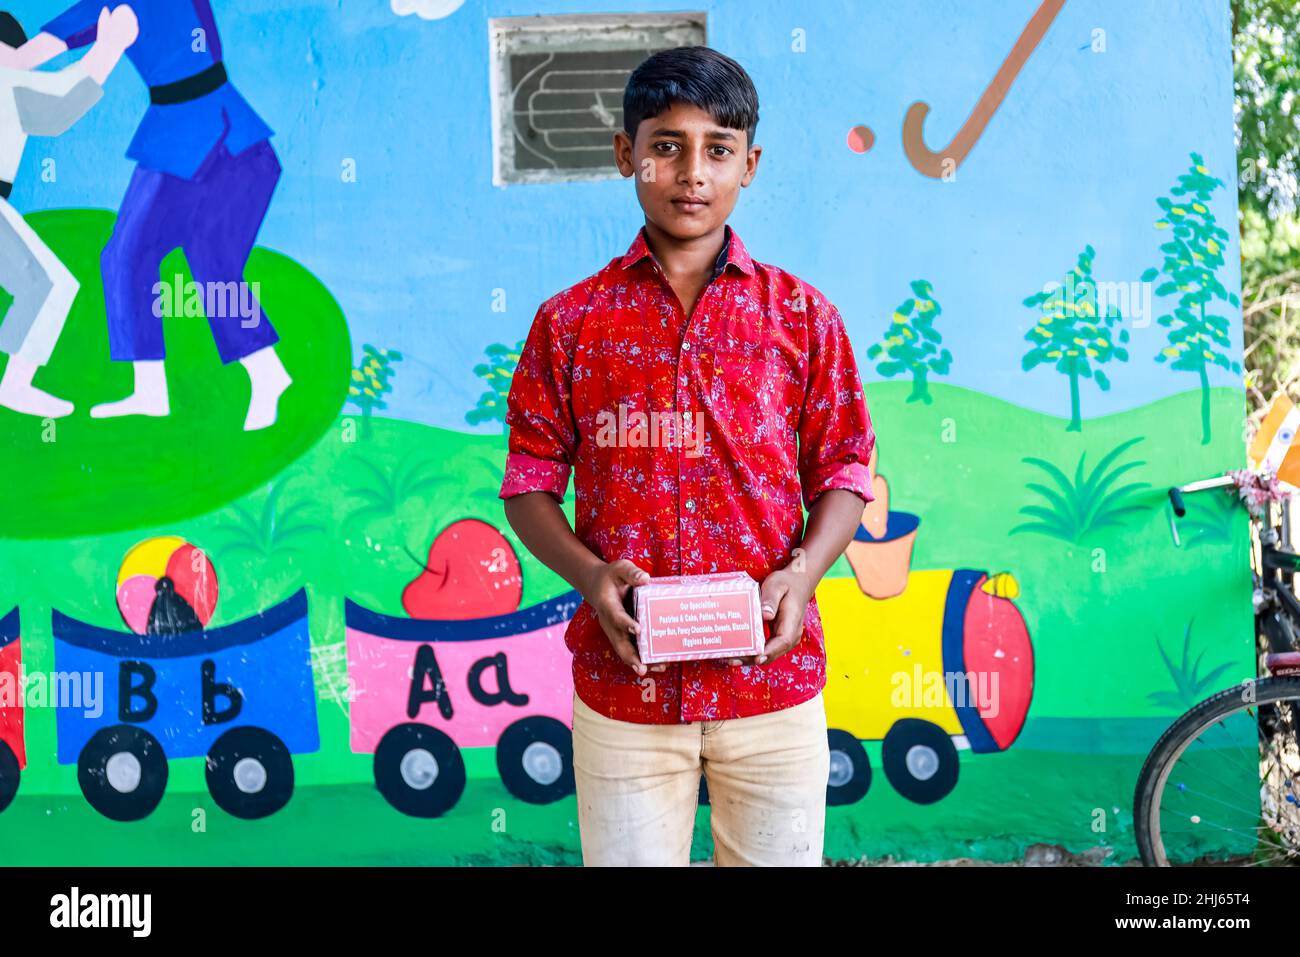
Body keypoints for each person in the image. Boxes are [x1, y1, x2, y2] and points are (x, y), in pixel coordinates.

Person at [499, 46, 877, 866]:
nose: (691, 172)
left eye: (717, 148)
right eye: (666, 144)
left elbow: (846, 472)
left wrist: (803, 574)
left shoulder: (805, 318)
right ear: (626, 154)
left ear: (751, 163)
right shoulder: (570, 324)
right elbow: (529, 482)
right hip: (622, 692)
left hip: (771, 686)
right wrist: (592, 576)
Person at [3, 0, 291, 430]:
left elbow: (41, 58)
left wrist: (104, 46)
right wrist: (102, 46)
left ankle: (265, 373)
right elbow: (44, 46)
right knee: (126, 255)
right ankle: (150, 390)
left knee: (206, 261)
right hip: (178, 139)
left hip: (222, 137)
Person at [0, 5, 137, 418]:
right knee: (47, 285)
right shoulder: (9, 84)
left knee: (45, 284)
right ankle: (15, 385)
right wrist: (110, 48)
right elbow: (60, 103)